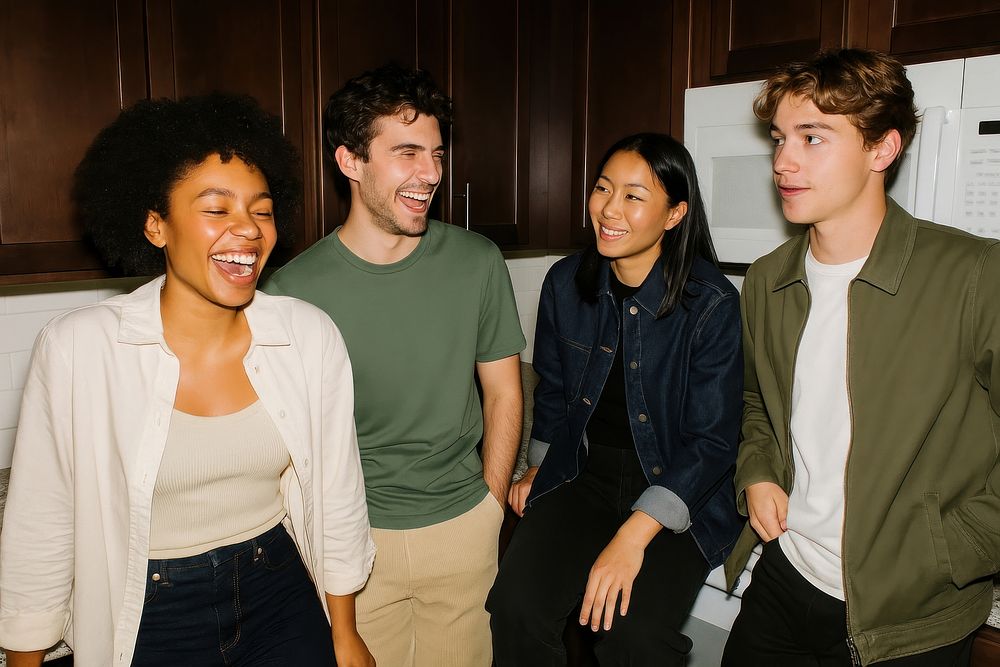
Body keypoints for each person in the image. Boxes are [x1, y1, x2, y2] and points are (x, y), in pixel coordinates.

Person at [0, 94, 376, 667]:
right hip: (148, 613)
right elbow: (40, 524)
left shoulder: (308, 336)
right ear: (157, 225)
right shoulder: (80, 349)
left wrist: (344, 632)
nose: (248, 230)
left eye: (262, 209)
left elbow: (339, 494)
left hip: (278, 590)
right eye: (216, 209)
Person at [722, 48, 1000, 666]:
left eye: (813, 137)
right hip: (787, 576)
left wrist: (955, 546)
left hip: (913, 611)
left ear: (882, 150)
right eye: (780, 138)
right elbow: (758, 405)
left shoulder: (975, 275)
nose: (784, 161)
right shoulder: (768, 282)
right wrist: (758, 471)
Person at [262, 64, 525, 667]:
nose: (431, 173)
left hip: (463, 526)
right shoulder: (290, 291)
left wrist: (488, 504)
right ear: (350, 162)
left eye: (436, 153)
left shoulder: (478, 261)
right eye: (407, 153)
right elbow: (285, 440)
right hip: (349, 546)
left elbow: (504, 394)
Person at [486, 133, 744, 666]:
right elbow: (553, 393)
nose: (609, 208)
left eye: (634, 195)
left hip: (678, 487)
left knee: (633, 638)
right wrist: (540, 466)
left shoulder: (712, 304)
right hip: (583, 475)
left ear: (674, 215)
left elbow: (713, 443)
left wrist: (633, 536)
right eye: (603, 188)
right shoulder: (565, 283)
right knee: (516, 609)